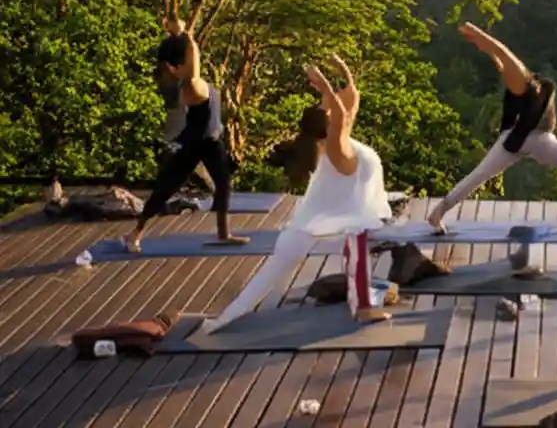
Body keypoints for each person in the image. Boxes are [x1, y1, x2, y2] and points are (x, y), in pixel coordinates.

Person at [205, 55, 392, 332]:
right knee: (273, 273)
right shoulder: (336, 147)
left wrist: (342, 77)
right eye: (327, 112)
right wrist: (328, 87)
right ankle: (225, 319)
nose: (330, 109)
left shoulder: (328, 139)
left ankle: (362, 306)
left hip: (322, 218)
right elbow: (341, 110)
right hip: (327, 218)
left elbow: (348, 104)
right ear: (326, 129)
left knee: (354, 245)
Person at [426, 22, 557, 234]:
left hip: (518, 140)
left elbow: (500, 59)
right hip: (536, 141)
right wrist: (480, 36)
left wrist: (482, 44)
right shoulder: (525, 86)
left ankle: (438, 212)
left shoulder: (530, 88)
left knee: (478, 176)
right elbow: (501, 52)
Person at [124, 23, 246, 251]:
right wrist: (188, 37)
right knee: (165, 188)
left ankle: (223, 234)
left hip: (210, 142)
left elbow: (192, 60)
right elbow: (195, 64)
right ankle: (135, 233)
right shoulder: (191, 86)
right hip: (194, 144)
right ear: (174, 67)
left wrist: (179, 34)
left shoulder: (189, 83)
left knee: (223, 184)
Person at [154, 18, 216, 198]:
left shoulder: (188, 82)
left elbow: (193, 68)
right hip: (175, 88)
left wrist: (187, 37)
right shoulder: (169, 84)